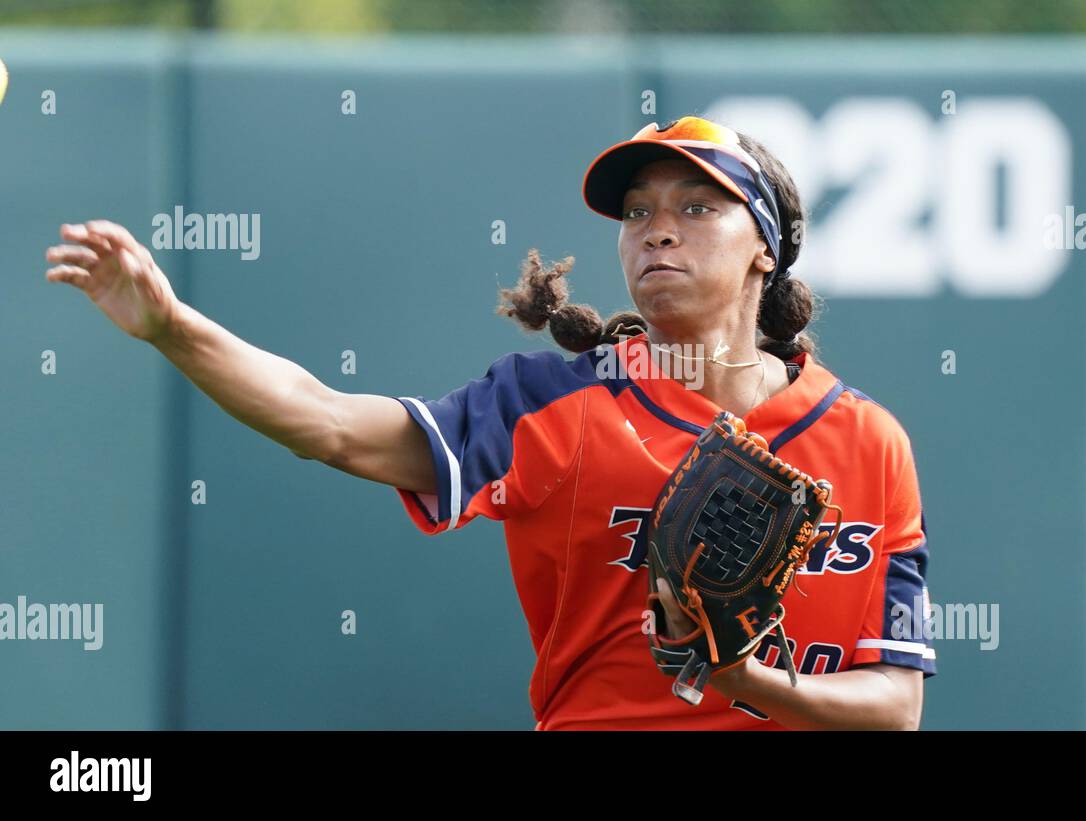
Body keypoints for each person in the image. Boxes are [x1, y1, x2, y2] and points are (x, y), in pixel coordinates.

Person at [44, 115, 935, 730]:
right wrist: (171, 326)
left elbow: (895, 703)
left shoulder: (870, 441)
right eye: (637, 212)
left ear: (766, 248)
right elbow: (327, 422)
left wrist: (750, 682)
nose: (658, 230)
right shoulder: (554, 404)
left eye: (697, 206)